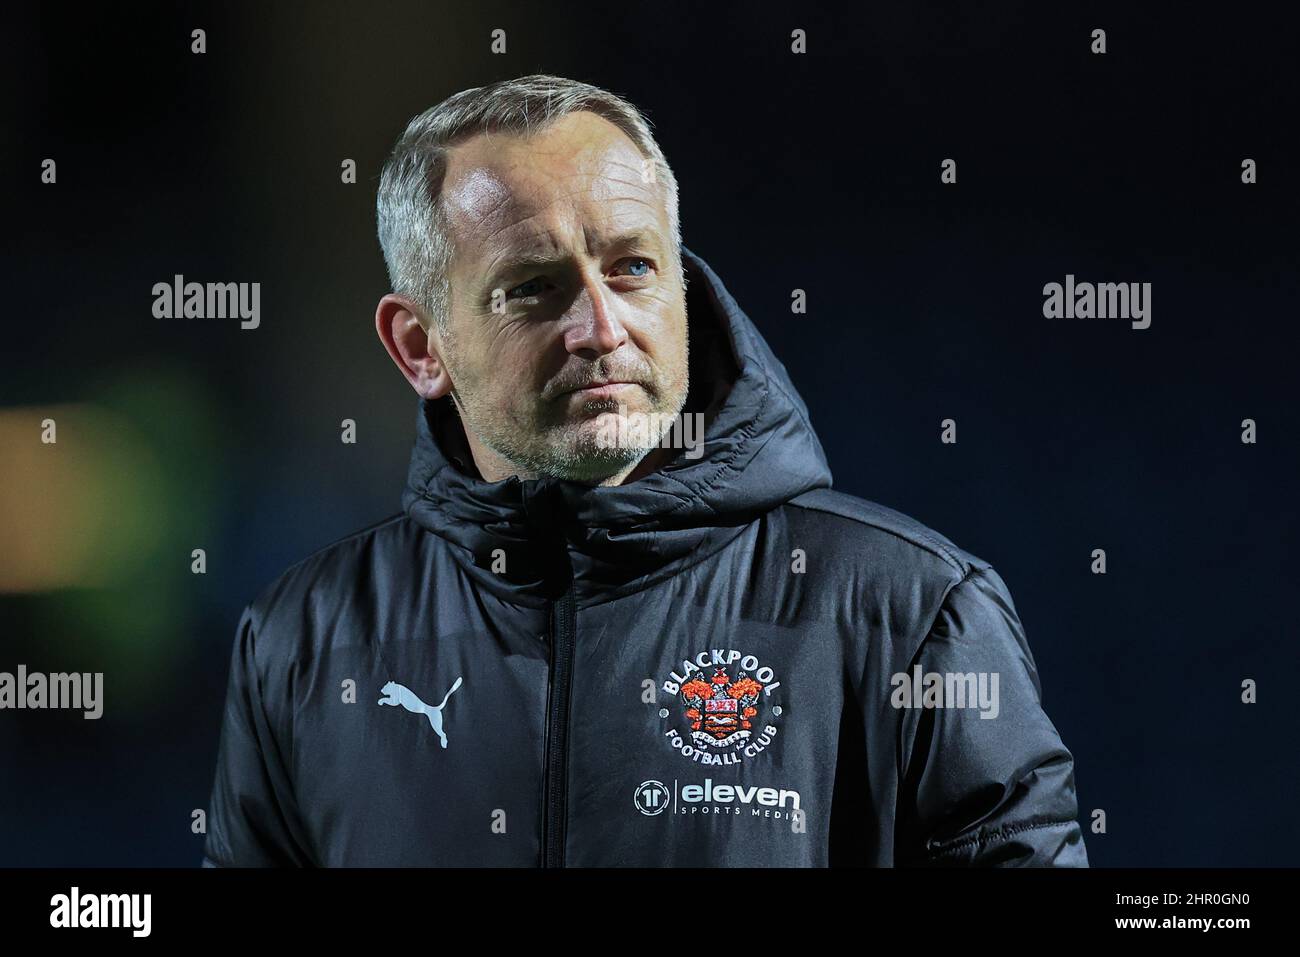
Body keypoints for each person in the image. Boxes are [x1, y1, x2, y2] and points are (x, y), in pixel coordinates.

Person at [202, 74, 1088, 867]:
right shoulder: (300, 643)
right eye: (533, 288)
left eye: (631, 267)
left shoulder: (910, 612)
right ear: (420, 345)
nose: (601, 327)